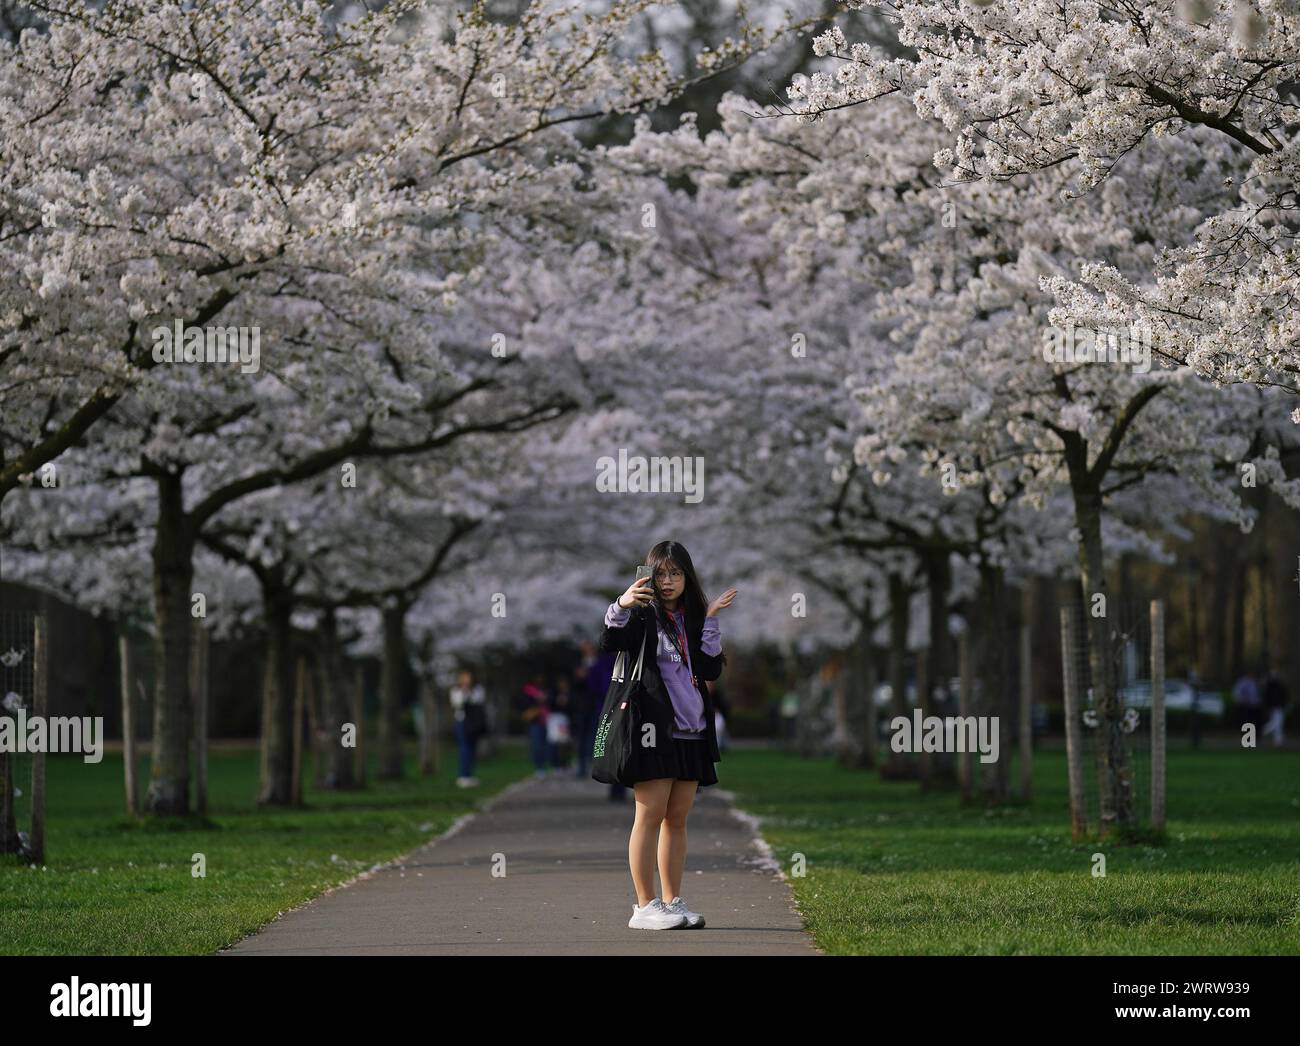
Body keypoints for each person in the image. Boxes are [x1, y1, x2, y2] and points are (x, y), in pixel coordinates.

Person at [598, 540, 737, 930]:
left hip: (691, 730)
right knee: (649, 815)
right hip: (651, 729)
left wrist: (709, 619)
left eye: (676, 573)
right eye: (661, 574)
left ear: (687, 577)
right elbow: (610, 641)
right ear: (650, 577)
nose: (669, 581)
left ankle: (672, 901)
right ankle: (644, 904)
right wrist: (622, 604)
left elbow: (709, 671)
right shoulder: (642, 616)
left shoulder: (691, 619)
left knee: (676, 819)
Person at [448, 668, 487, 788]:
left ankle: (469, 775)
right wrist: (464, 692)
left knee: (472, 750)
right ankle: (463, 776)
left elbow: (478, 701)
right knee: (464, 749)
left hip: (474, 723)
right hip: (462, 723)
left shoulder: (478, 689)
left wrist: (469, 692)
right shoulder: (456, 691)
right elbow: (457, 704)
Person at [517, 675, 551, 776]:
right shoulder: (528, 691)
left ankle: (547, 764)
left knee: (546, 746)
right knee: (537, 746)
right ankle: (539, 767)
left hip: (547, 720)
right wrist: (537, 701)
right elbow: (523, 704)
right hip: (535, 721)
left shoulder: (546, 690)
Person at [1262, 668, 1288, 746]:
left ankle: (1278, 739)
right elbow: (1266, 698)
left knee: (1278, 722)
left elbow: (1284, 696)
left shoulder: (1280, 686)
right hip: (1273, 707)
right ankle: (1275, 737)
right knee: (1277, 722)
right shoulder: (1269, 687)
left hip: (1279, 706)